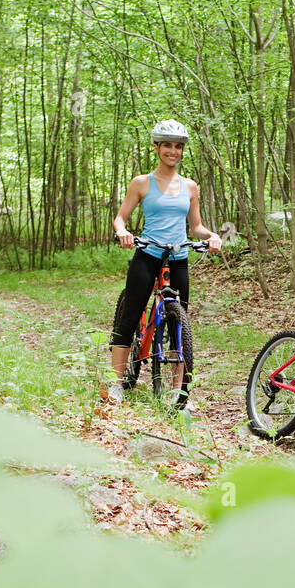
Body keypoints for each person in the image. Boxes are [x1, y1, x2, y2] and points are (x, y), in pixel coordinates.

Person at [107, 119, 221, 403]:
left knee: (177, 323)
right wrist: (123, 232)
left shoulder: (190, 186)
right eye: (167, 145)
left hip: (179, 256)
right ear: (156, 147)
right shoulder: (142, 183)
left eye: (178, 147)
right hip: (148, 254)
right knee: (130, 316)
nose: (173, 151)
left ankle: (177, 389)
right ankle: (115, 384)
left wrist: (212, 236)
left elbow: (196, 226)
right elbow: (121, 217)